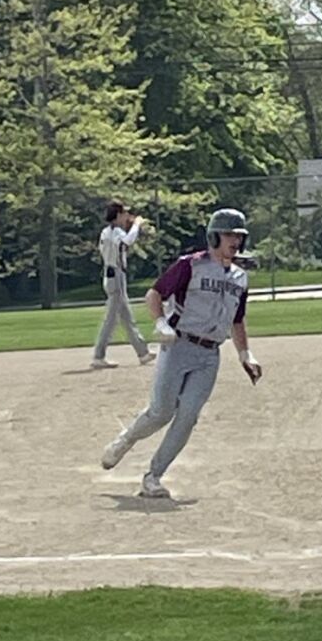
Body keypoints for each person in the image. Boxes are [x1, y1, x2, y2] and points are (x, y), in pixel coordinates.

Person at [101, 208, 262, 498]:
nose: (234, 241)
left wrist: (245, 354)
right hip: (178, 346)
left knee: (188, 416)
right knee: (161, 412)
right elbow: (155, 294)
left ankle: (153, 476)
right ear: (214, 236)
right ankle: (125, 440)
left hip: (210, 354)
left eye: (239, 236)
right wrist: (161, 322)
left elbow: (237, 319)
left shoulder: (240, 277)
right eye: (228, 235)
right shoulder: (190, 265)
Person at [90, 201, 156, 370]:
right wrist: (136, 225)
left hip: (113, 275)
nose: (127, 216)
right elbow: (126, 242)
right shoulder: (115, 231)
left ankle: (143, 352)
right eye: (124, 213)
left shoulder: (107, 231)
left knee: (126, 317)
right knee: (111, 319)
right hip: (115, 276)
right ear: (118, 215)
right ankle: (99, 355)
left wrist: (133, 225)